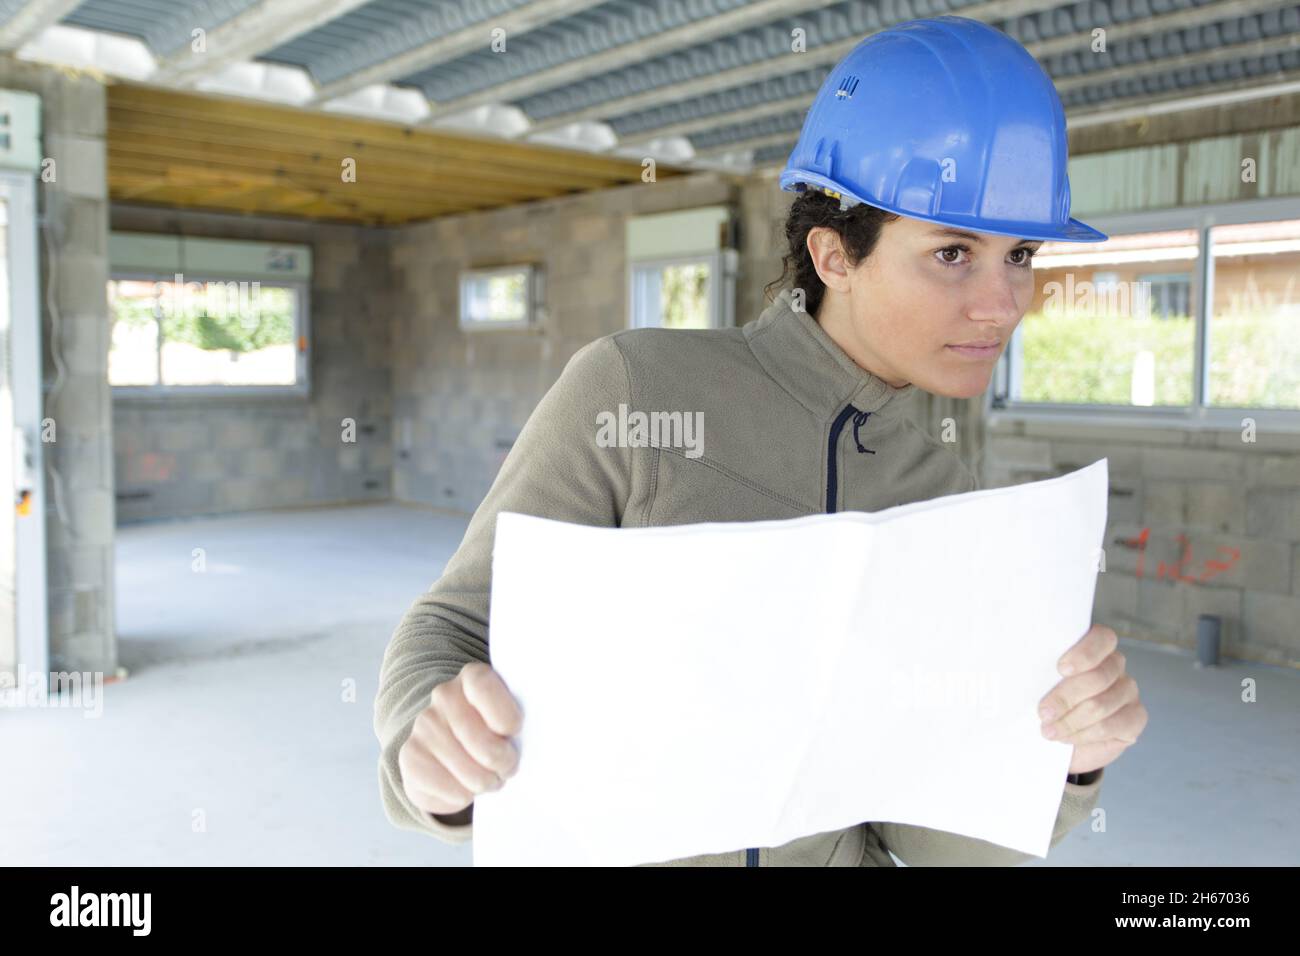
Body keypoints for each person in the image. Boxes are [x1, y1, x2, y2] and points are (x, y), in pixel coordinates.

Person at [375, 15, 1148, 866]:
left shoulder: (948, 493)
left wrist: (1063, 763)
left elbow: (925, 841)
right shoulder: (637, 392)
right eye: (955, 253)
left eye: (1022, 254)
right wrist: (432, 747)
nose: (1003, 304)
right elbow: (454, 624)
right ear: (834, 255)